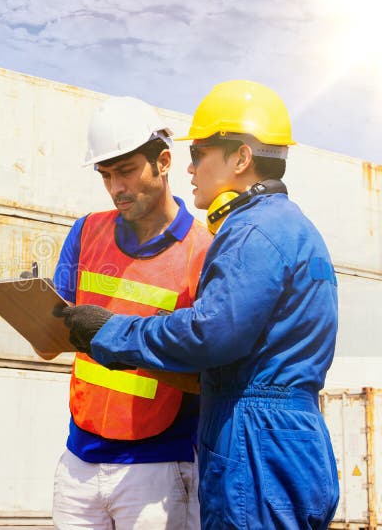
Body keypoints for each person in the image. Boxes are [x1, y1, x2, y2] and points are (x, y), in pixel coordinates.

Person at [58, 80, 340, 529]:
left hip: (256, 441)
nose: (190, 169)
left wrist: (111, 331)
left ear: (241, 158)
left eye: (199, 154)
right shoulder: (291, 226)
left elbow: (212, 333)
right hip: (282, 438)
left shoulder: (252, 232)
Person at [35, 96, 212, 529]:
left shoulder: (203, 251)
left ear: (164, 161)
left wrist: (123, 344)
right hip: (79, 459)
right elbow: (49, 344)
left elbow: (207, 377)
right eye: (106, 175)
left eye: (127, 171)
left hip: (159, 466)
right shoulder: (87, 231)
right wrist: (33, 312)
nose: (116, 188)